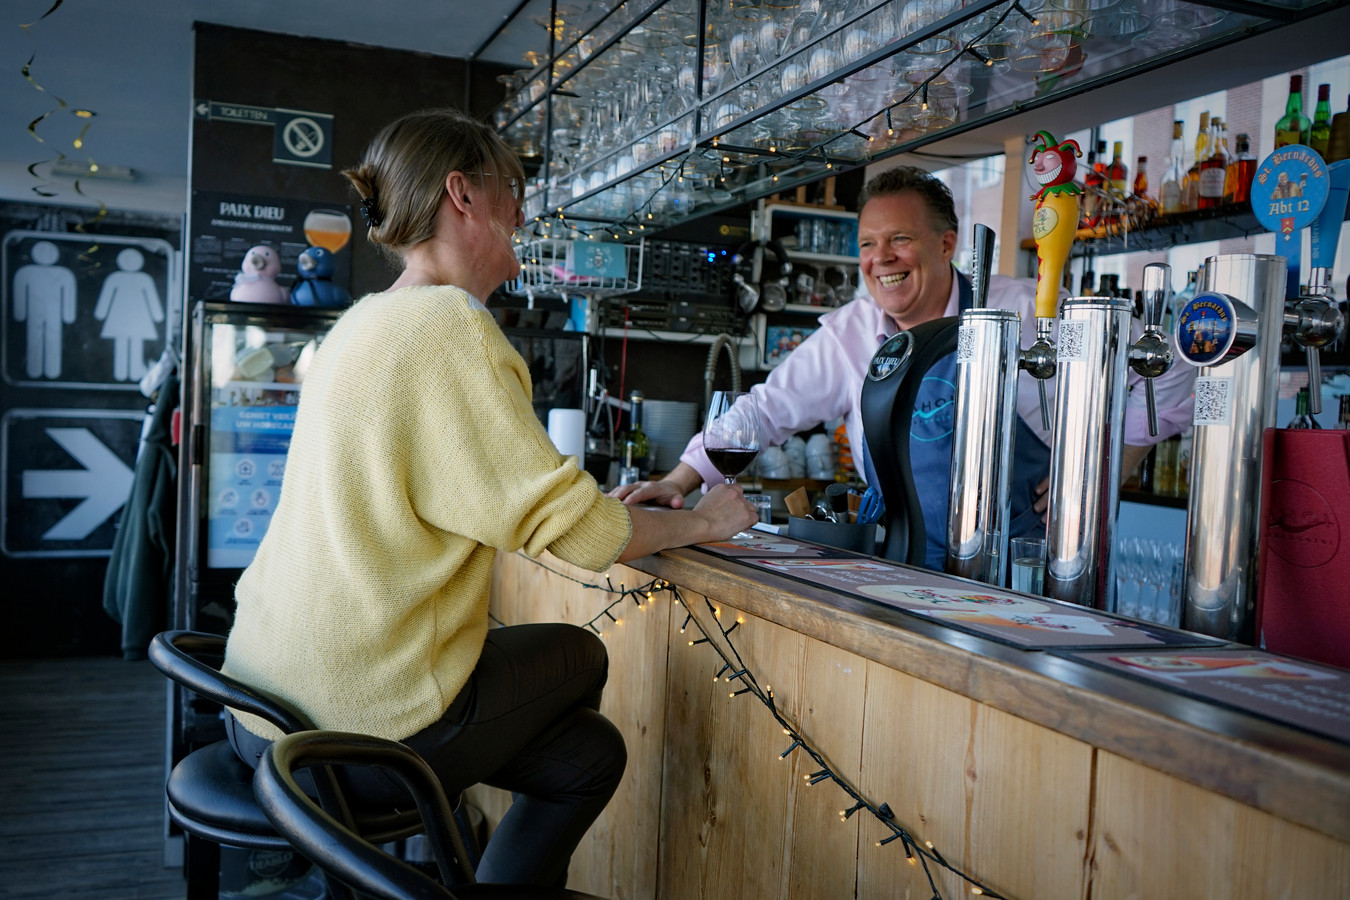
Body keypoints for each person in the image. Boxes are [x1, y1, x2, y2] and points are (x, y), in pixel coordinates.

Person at [220, 108, 757, 888]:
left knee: (587, 756)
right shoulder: (450, 326)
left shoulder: (362, 323)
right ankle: (450, 836)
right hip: (355, 724)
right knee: (578, 657)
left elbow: (485, 495)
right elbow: (577, 534)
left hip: (263, 702)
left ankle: (460, 858)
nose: (523, 213)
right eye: (513, 191)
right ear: (462, 195)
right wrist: (706, 519)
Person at [612, 166, 1195, 569]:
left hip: (1024, 569)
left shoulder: (1026, 309)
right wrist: (677, 482)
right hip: (897, 567)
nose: (880, 259)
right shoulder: (850, 334)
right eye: (867, 244)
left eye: (899, 239)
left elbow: (1170, 372)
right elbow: (760, 414)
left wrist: (1104, 468)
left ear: (947, 245)